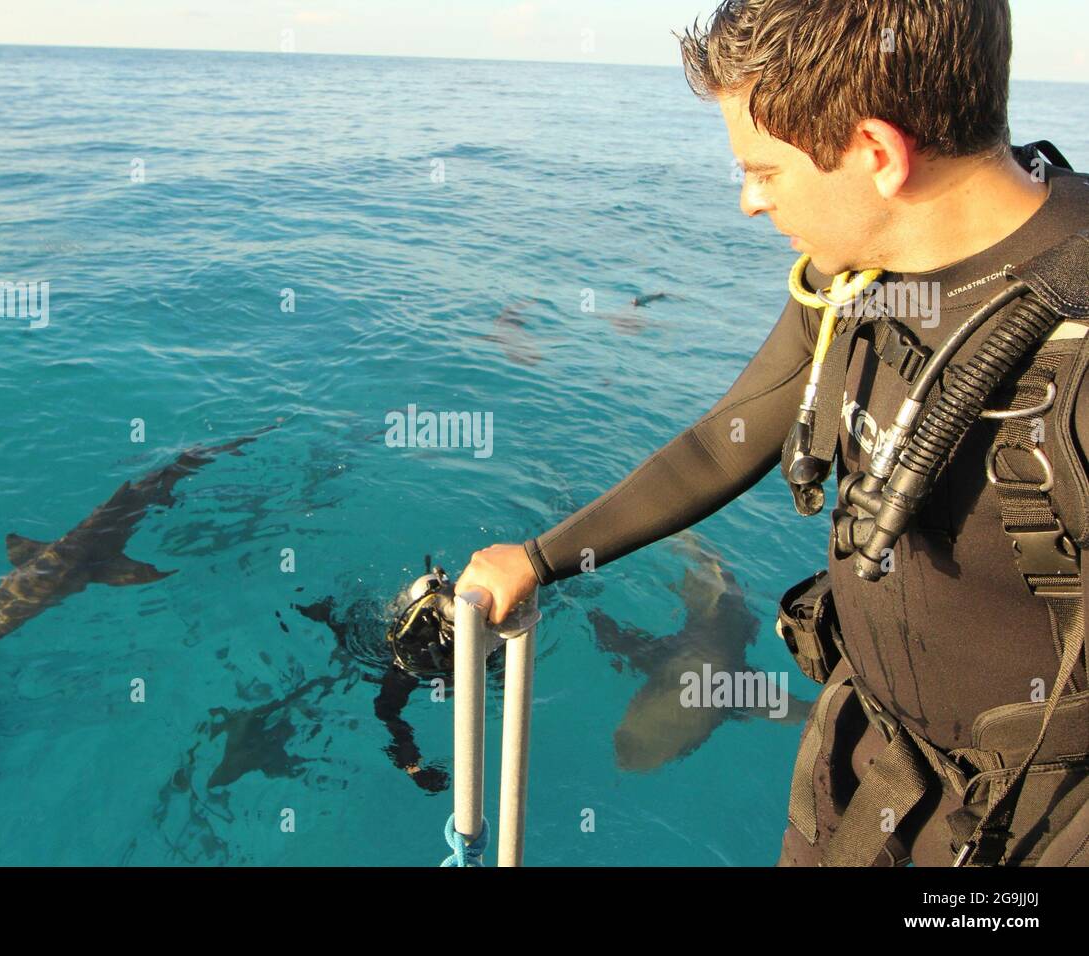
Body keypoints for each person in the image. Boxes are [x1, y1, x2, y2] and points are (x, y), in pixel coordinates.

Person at [454, 0, 1089, 866]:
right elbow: (728, 439)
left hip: (1030, 832)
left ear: (877, 153)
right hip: (863, 771)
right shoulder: (855, 274)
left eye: (762, 171)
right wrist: (539, 558)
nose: (750, 203)